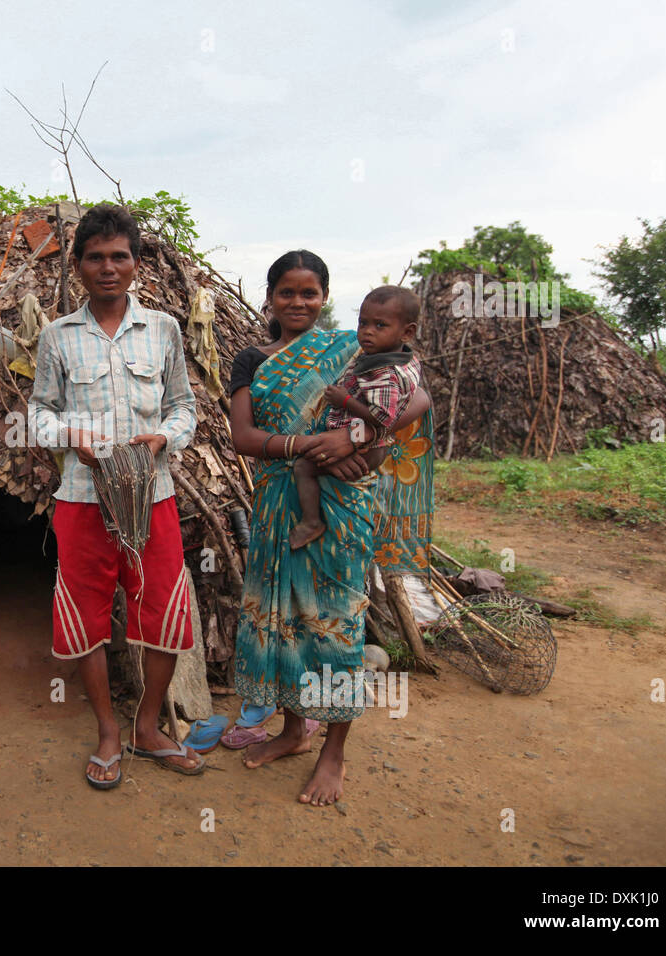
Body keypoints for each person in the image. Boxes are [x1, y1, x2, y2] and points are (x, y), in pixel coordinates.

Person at [226, 250, 431, 806]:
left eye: (309, 292)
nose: (298, 302)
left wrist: (355, 440)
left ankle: (333, 752)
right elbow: (243, 437)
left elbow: (420, 398)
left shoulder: (352, 351)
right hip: (278, 506)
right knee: (285, 616)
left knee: (336, 623)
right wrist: (308, 446)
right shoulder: (250, 359)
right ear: (269, 297)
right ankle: (293, 732)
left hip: (344, 506)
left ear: (324, 297)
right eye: (287, 292)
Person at [28, 204, 201, 790]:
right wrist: (70, 437)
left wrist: (166, 438)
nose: (108, 267)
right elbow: (38, 416)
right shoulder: (58, 337)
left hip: (152, 494)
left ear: (135, 263)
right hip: (81, 499)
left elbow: (184, 407)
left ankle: (148, 727)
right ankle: (107, 731)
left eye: (119, 256)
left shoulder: (164, 331)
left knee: (165, 610)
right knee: (85, 614)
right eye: (96, 257)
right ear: (77, 265)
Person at [289, 286, 423, 550]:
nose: (368, 331)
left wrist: (345, 402)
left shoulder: (384, 371)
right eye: (363, 323)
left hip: (367, 447)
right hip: (367, 445)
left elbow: (383, 417)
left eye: (380, 325)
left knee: (303, 468)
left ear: (407, 332)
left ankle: (311, 522)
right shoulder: (387, 358)